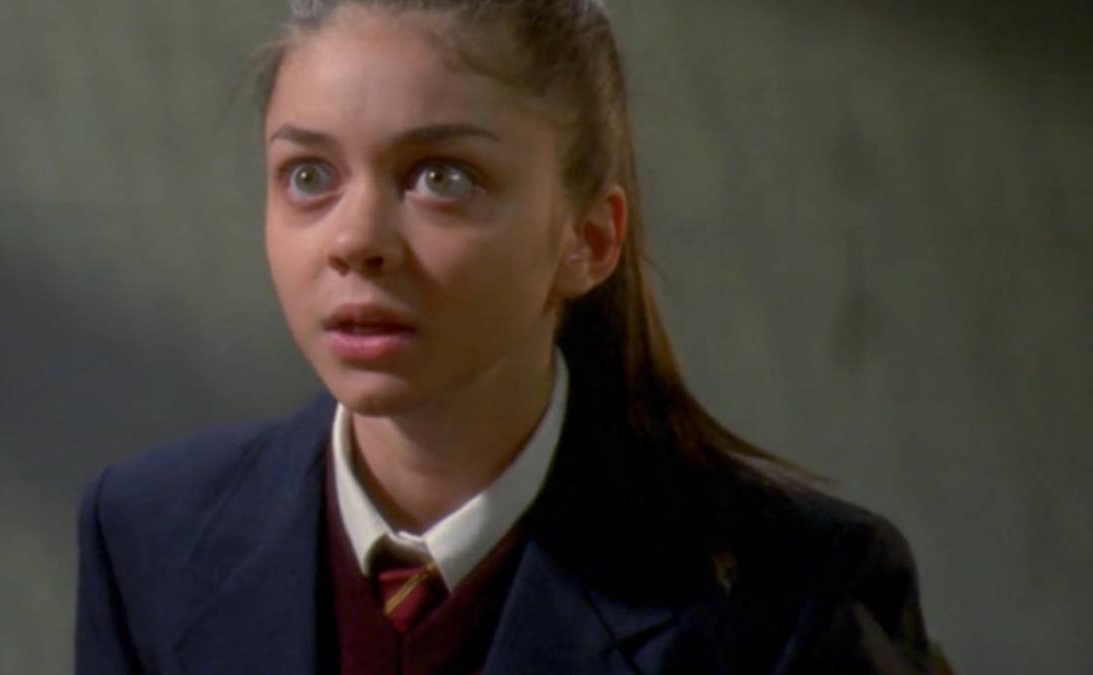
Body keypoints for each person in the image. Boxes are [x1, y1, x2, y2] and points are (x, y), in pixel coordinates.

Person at [76, 1, 934, 673]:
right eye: (309, 175)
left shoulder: (795, 595)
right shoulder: (149, 538)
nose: (355, 239)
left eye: (443, 177)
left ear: (588, 239)